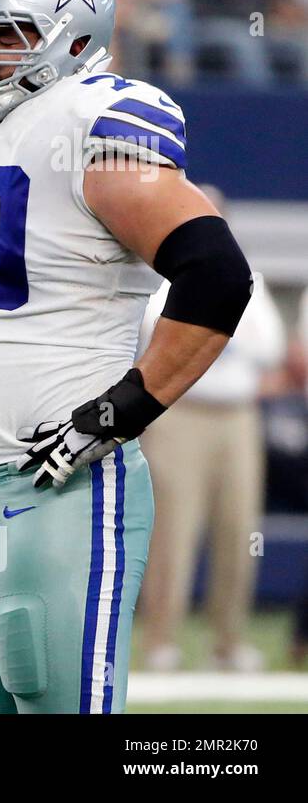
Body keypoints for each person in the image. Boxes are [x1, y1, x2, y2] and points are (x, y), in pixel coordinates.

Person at [0, 0, 252, 714]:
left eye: (6, 35)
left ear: (77, 43)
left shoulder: (95, 120)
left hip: (51, 484)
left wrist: (126, 408)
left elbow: (216, 272)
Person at [137, 188, 284, 673]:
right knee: (175, 531)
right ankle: (161, 640)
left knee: (240, 530)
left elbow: (268, 349)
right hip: (180, 413)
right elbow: (164, 341)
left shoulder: (247, 278)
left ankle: (228, 641)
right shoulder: (157, 278)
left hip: (237, 417)